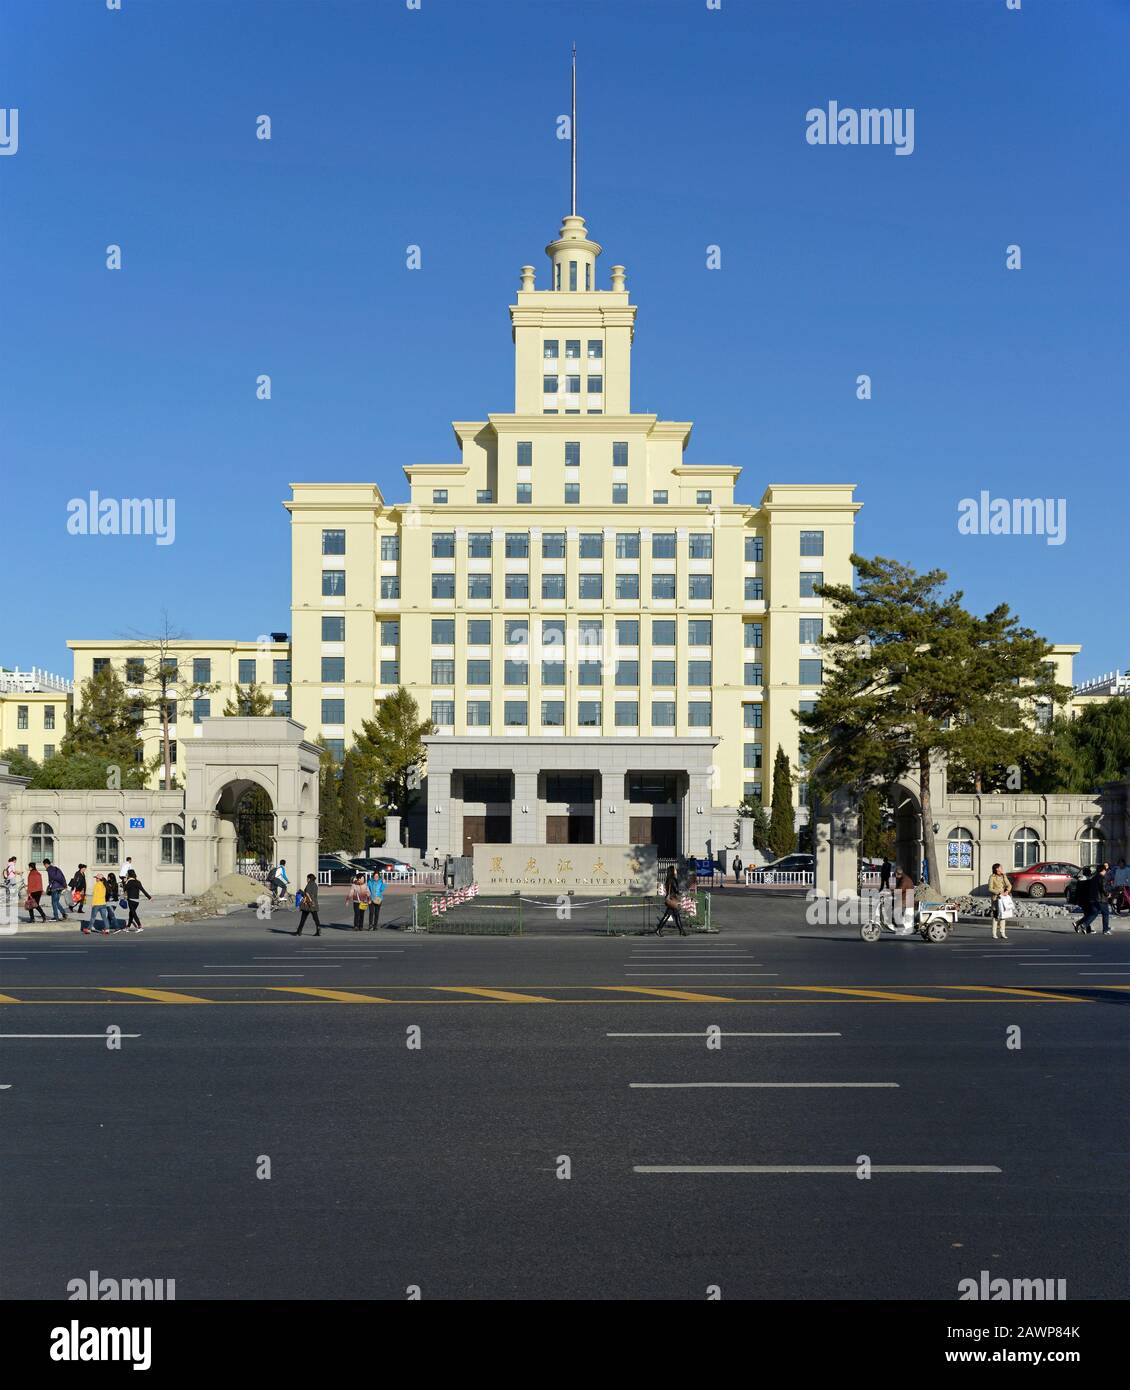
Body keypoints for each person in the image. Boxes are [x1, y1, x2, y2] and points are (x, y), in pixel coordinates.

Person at [1077, 862, 1112, 936]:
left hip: (1093, 898)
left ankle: (1084, 925)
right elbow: (1103, 887)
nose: (1106, 872)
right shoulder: (1102, 878)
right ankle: (1105, 930)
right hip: (1101, 899)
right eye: (1105, 870)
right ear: (1103, 870)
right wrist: (1107, 894)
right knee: (1106, 913)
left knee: (1094, 912)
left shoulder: (1094, 877)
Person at [987, 863, 1012, 941]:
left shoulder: (1004, 876)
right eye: (1000, 868)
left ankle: (1002, 933)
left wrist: (1007, 891)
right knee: (996, 916)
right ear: (997, 869)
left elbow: (1009, 885)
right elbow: (990, 888)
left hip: (1004, 898)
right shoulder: (992, 877)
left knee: (1003, 916)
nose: (1002, 869)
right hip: (996, 899)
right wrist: (998, 892)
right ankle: (994, 933)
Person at [893, 865, 917, 930]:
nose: (894, 876)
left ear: (898, 874)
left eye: (895, 874)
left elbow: (901, 889)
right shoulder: (902, 878)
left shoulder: (905, 880)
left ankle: (901, 926)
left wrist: (892, 892)